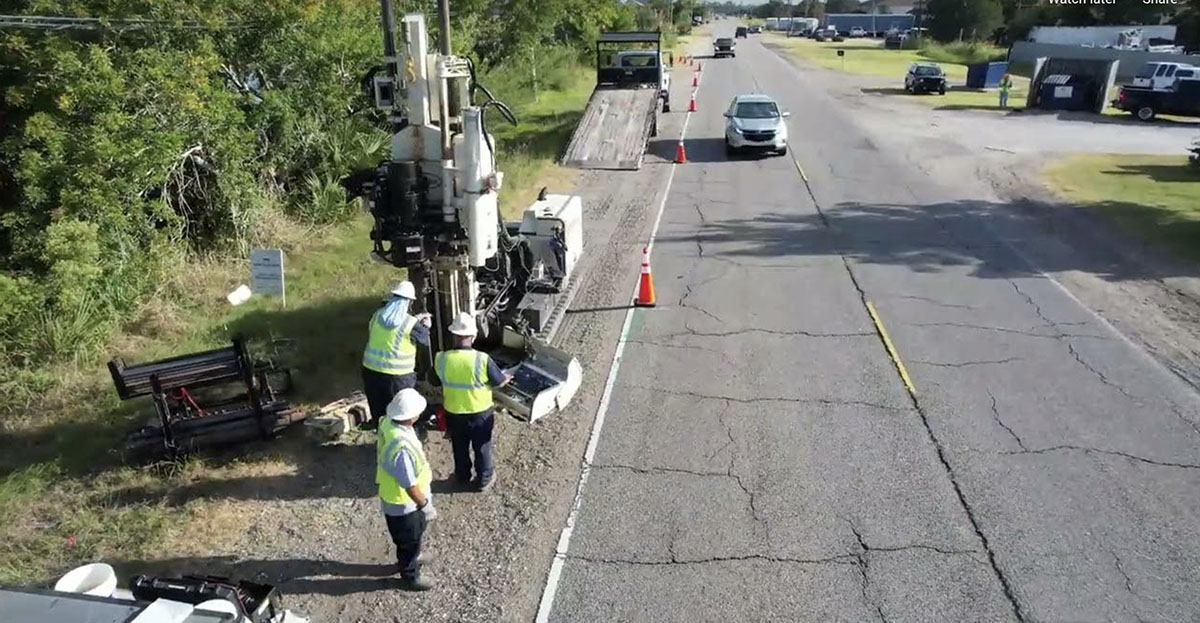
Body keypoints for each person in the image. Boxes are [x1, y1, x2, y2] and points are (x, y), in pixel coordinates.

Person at [434, 312, 513, 492]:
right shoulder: (482, 359)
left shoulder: (442, 359)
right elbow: (499, 381)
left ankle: (462, 477)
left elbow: (433, 380)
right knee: (482, 447)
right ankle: (484, 479)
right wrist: (506, 377)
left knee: (459, 447)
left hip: (454, 412)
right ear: (474, 336)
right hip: (480, 413)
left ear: (454, 335)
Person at [376, 388, 438, 591]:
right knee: (408, 540)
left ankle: (414, 554)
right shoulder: (401, 447)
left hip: (397, 498)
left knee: (413, 536)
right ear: (411, 417)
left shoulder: (388, 422)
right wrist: (425, 505)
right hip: (404, 503)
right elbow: (409, 485)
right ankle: (410, 575)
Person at [362, 281, 431, 430]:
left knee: (379, 414)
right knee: (402, 415)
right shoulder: (411, 324)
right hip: (398, 377)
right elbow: (424, 340)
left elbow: (387, 329)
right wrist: (425, 325)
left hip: (371, 372)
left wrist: (415, 321)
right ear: (409, 302)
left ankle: (382, 440)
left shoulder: (376, 316)